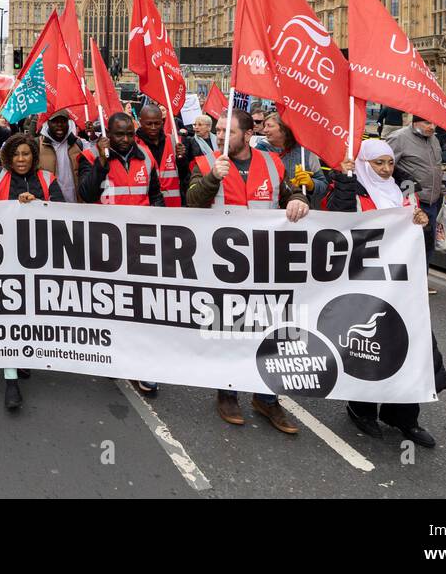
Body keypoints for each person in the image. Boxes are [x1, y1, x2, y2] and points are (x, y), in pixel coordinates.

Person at [187, 109, 308, 434]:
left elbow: (287, 194)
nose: (223, 135)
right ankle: (227, 393)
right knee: (229, 332)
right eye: (220, 130)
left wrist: (297, 199)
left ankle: (267, 399)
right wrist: (214, 177)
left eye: (229, 130)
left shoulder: (272, 163)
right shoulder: (204, 163)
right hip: (222, 269)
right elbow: (192, 202)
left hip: (265, 267)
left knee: (270, 334)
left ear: (246, 135)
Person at [322, 139, 444, 448]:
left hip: (401, 287)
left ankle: (404, 417)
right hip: (362, 285)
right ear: (365, 163)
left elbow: (416, 235)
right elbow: (336, 221)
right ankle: (361, 410)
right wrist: (346, 181)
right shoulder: (350, 187)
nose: (386, 169)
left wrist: (422, 222)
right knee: (366, 348)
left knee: (410, 346)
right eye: (378, 163)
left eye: (389, 163)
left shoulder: (403, 190)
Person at [0, 113, 64, 410]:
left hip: (37, 261)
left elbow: (62, 213)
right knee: (9, 315)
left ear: (33, 157)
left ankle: (24, 355)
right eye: (16, 154)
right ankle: (10, 380)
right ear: (7, 157)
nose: (21, 159)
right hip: (4, 260)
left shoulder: (48, 180)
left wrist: (39, 206)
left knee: (30, 314)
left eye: (26, 154)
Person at [77, 111, 164, 395]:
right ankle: (111, 356)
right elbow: (86, 195)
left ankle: (142, 365)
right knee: (110, 304)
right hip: (105, 246)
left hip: (141, 244)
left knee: (140, 307)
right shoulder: (91, 158)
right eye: (118, 134)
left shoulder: (147, 158)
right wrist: (103, 161)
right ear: (108, 134)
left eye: (129, 133)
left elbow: (155, 196)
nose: (125, 139)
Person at [386, 116, 446, 291]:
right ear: (415, 122)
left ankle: (420, 283)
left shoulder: (433, 139)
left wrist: (444, 192)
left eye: (434, 122)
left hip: (432, 200)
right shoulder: (398, 138)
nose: (432, 126)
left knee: (427, 244)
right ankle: (400, 284)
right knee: (407, 245)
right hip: (411, 202)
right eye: (427, 123)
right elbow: (384, 168)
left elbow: (436, 169)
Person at [261, 111, 329, 203]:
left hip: (300, 208)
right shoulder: (260, 151)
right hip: (270, 209)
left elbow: (323, 186)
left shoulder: (305, 152)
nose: (264, 130)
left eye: (269, 126)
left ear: (284, 128)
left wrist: (311, 184)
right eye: (264, 126)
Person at [135, 104, 186, 207]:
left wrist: (182, 160)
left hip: (173, 206)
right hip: (147, 207)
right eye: (149, 124)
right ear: (140, 122)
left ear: (162, 121)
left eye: (157, 123)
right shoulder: (134, 145)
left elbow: (184, 176)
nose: (153, 127)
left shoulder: (174, 141)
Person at [38, 109, 83, 203]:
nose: (59, 125)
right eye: (55, 121)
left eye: (63, 121)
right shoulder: (37, 145)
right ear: (47, 123)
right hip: (49, 206)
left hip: (74, 204)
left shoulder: (77, 144)